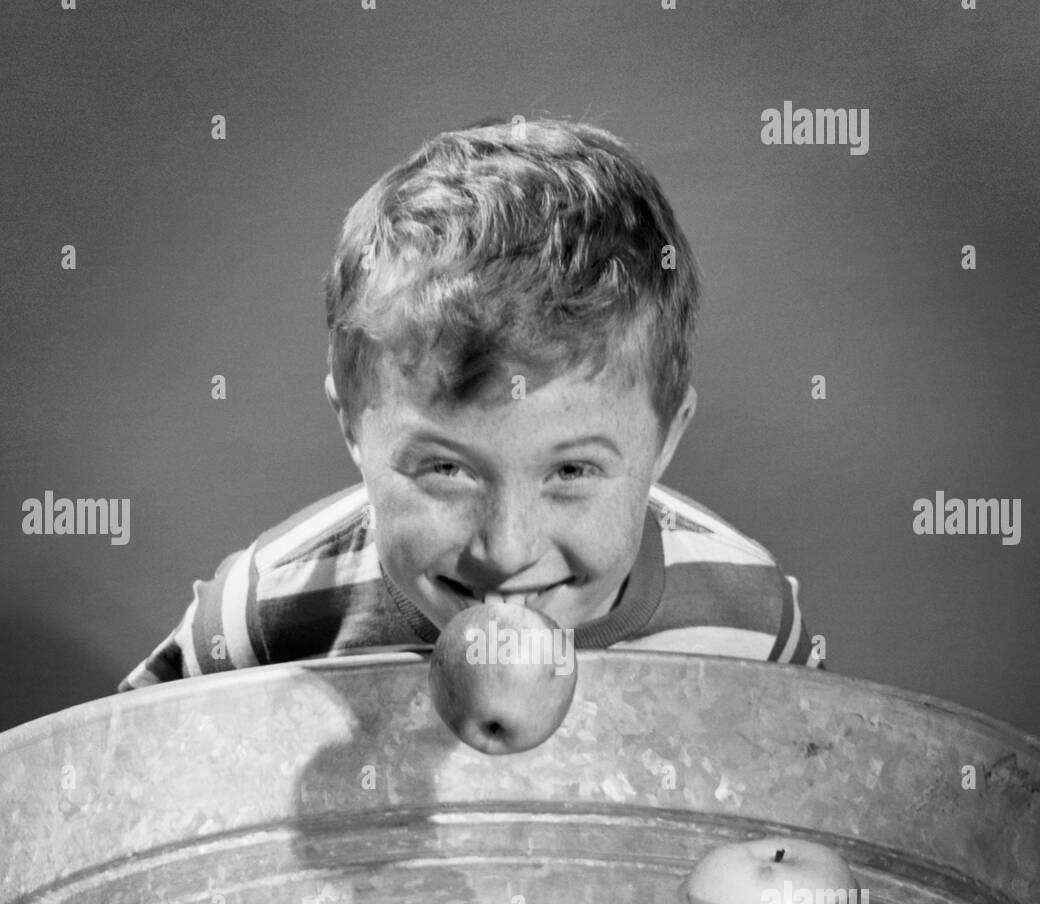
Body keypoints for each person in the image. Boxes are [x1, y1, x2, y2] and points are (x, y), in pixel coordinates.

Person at [117, 116, 820, 693]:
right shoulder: (262, 614)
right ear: (352, 424)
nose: (507, 551)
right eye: (446, 470)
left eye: (571, 471)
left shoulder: (751, 622)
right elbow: (125, 776)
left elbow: (816, 792)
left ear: (666, 438)